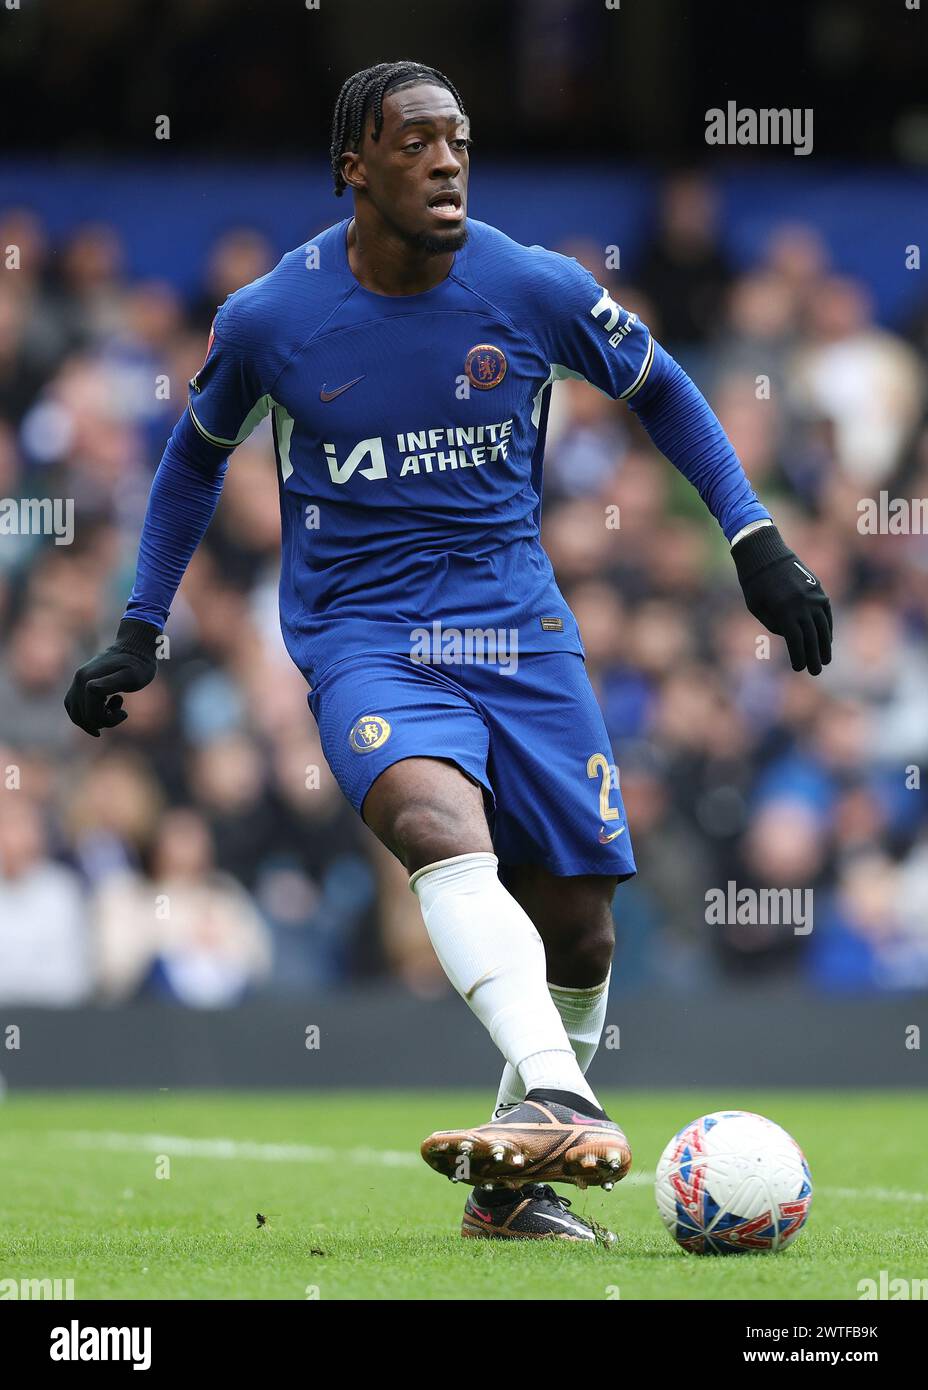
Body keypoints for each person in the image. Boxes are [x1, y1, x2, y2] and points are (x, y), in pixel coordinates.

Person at [65, 60, 833, 1245]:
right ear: (352, 167)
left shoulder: (528, 287)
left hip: (518, 630)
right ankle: (559, 1091)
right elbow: (192, 460)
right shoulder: (274, 317)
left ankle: (509, 1189)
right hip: (364, 635)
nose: (444, 160)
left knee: (579, 925)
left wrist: (754, 540)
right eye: (414, 140)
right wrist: (140, 625)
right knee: (437, 824)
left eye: (459, 140)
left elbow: (664, 386)